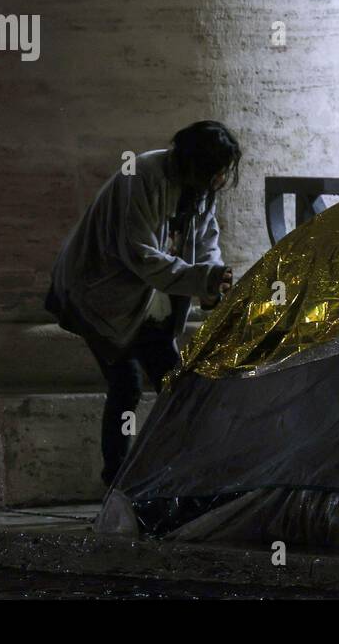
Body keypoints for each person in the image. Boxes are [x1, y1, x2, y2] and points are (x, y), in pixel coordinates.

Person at [45, 120, 241, 486]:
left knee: (178, 387)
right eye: (217, 170)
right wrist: (201, 278)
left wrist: (212, 277)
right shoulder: (143, 175)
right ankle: (119, 481)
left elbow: (206, 239)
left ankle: (174, 477)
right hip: (102, 299)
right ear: (196, 164)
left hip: (148, 306)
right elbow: (139, 254)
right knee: (127, 383)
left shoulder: (198, 190)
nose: (221, 179)